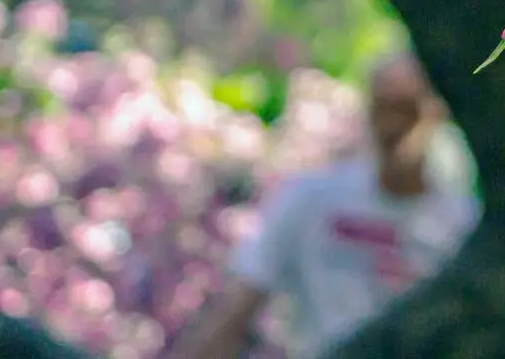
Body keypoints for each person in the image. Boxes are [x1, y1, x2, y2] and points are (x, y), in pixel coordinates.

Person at [169, 53, 481, 358]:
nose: (392, 127)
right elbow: (236, 311)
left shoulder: (462, 224)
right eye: (382, 109)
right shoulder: (312, 198)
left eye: (406, 111)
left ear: (436, 114)